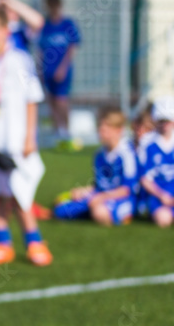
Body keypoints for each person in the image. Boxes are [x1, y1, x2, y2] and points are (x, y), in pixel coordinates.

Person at [0, 8, 52, 266]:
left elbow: (32, 99)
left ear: (5, 30)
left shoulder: (20, 61)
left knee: (20, 194)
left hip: (15, 142)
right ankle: (2, 243)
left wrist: (30, 137)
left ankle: (34, 241)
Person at [54, 106, 136, 226]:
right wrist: (84, 191)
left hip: (120, 199)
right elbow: (99, 185)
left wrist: (101, 197)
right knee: (61, 211)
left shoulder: (127, 154)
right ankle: (91, 211)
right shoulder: (99, 154)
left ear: (119, 130)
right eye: (100, 126)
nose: (101, 130)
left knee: (99, 213)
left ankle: (121, 215)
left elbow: (127, 190)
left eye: (106, 127)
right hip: (99, 197)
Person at [39, 0, 81, 146]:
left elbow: (72, 47)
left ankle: (66, 130)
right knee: (51, 101)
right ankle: (57, 131)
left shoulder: (68, 24)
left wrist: (63, 68)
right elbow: (41, 49)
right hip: (48, 70)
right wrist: (41, 69)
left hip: (63, 71)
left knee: (62, 101)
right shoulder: (45, 25)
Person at [138, 97, 174, 228]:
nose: (164, 125)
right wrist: (162, 195)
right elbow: (145, 179)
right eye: (161, 121)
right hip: (158, 194)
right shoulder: (147, 143)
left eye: (168, 121)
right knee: (163, 219)